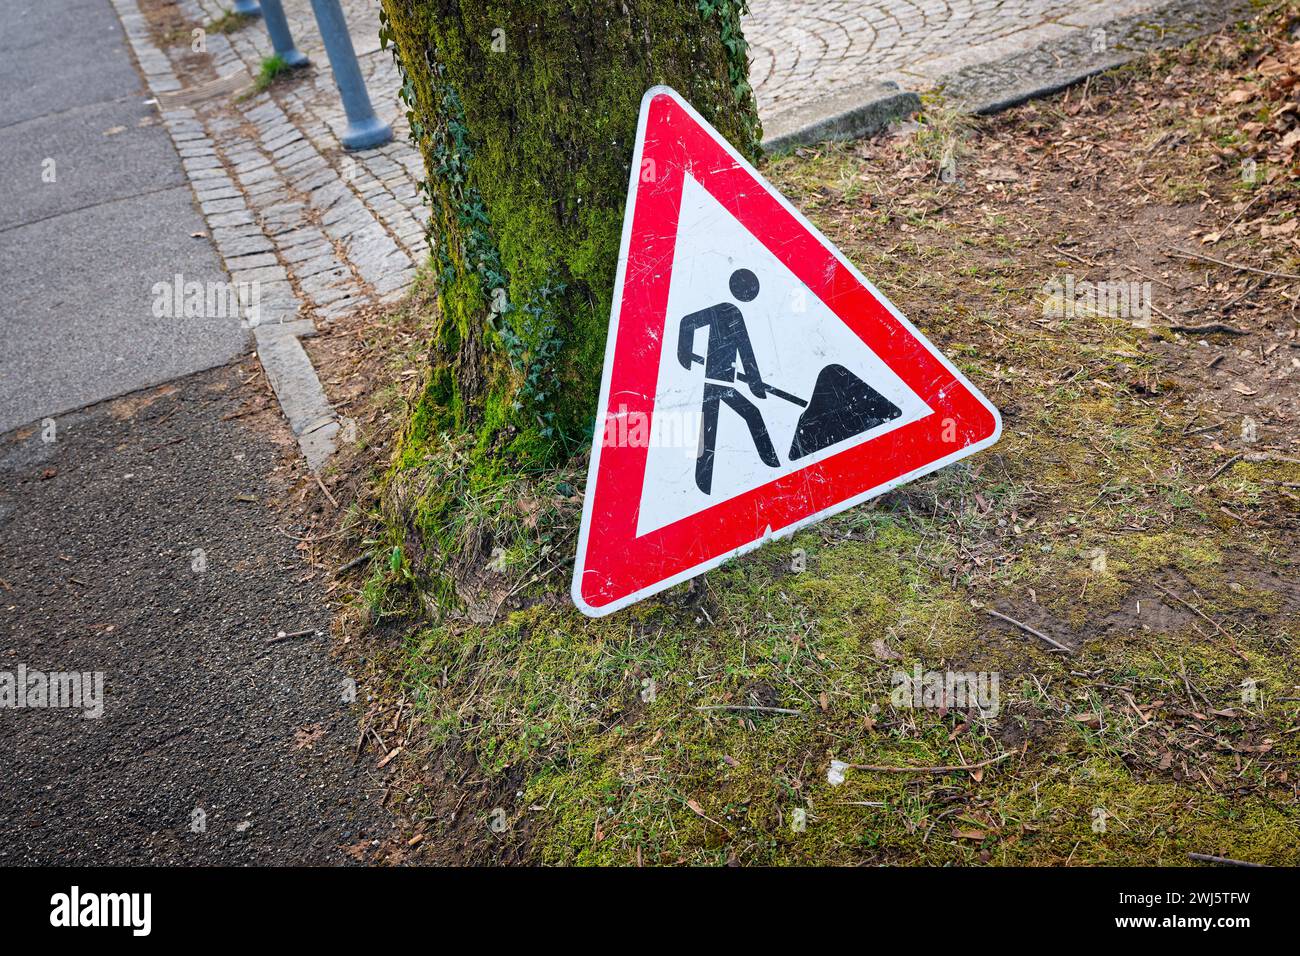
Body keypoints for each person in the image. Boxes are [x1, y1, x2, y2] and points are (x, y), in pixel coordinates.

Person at [677, 268, 779, 494]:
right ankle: (773, 464)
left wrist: (755, 383)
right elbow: (687, 322)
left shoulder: (733, 312)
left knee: (710, 431)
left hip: (723, 383)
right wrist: (684, 354)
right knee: (749, 416)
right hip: (716, 383)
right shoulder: (726, 310)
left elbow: (745, 352)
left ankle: (702, 483)